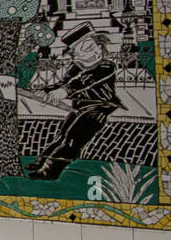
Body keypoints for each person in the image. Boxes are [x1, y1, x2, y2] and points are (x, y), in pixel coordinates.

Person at [27, 24, 124, 180]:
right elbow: (64, 82)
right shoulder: (75, 68)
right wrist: (47, 90)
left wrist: (65, 92)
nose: (94, 52)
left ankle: (49, 171)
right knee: (62, 135)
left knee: (72, 140)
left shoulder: (106, 66)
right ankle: (41, 161)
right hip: (80, 108)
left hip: (98, 108)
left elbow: (86, 82)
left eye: (95, 46)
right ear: (75, 54)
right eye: (85, 49)